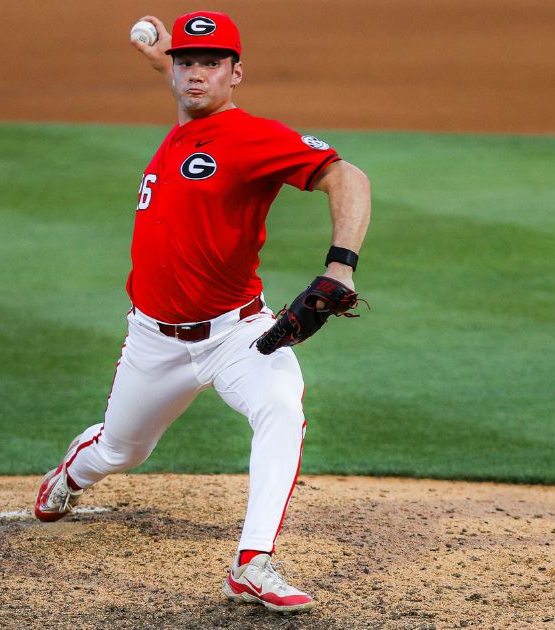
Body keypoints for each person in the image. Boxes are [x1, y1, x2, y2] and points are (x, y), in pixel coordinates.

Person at [33, 10, 371, 614]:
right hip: (153, 341)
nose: (196, 74)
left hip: (239, 333)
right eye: (187, 62)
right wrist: (165, 54)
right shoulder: (186, 119)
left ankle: (253, 563)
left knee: (280, 407)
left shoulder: (252, 137)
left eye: (212, 63)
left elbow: (348, 176)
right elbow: (188, 84)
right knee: (120, 450)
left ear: (236, 73)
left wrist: (339, 267)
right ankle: (71, 477)